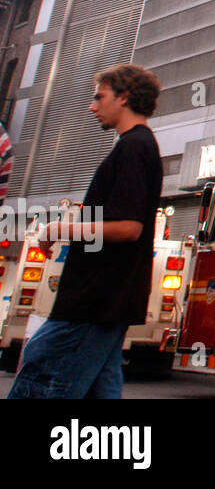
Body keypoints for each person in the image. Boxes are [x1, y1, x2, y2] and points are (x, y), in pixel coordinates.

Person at [8, 64, 163, 399]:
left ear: (123, 97)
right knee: (99, 391)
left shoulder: (134, 148)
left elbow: (129, 228)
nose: (92, 106)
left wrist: (60, 227)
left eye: (99, 96)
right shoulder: (136, 146)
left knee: (43, 378)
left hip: (93, 301)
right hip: (105, 302)